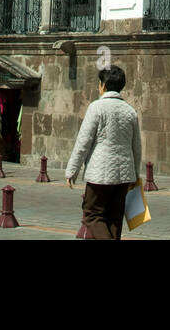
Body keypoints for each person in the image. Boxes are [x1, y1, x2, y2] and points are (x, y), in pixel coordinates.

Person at [65, 65, 144, 240]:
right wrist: (135, 175)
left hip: (100, 173)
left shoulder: (96, 108)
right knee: (114, 218)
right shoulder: (130, 112)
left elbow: (83, 142)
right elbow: (136, 147)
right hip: (124, 174)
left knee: (92, 214)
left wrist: (72, 170)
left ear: (103, 85)